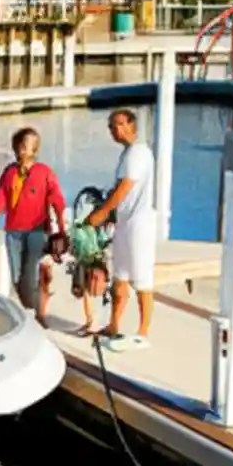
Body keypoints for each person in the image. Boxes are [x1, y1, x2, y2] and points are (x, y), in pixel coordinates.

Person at [86, 109, 156, 351]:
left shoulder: (138, 152)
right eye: (112, 127)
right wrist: (112, 215)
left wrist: (102, 212)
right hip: (125, 223)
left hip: (140, 224)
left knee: (142, 280)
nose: (116, 130)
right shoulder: (127, 154)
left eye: (120, 125)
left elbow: (125, 187)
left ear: (132, 125)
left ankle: (143, 332)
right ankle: (114, 325)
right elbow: (119, 189)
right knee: (120, 276)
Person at [0, 127, 67, 327]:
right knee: (16, 276)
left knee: (30, 274)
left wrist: (62, 230)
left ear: (35, 150)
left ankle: (38, 314)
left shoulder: (44, 173)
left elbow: (57, 201)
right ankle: (31, 308)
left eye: (27, 147)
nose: (22, 150)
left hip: (37, 230)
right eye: (20, 146)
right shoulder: (10, 172)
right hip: (13, 231)